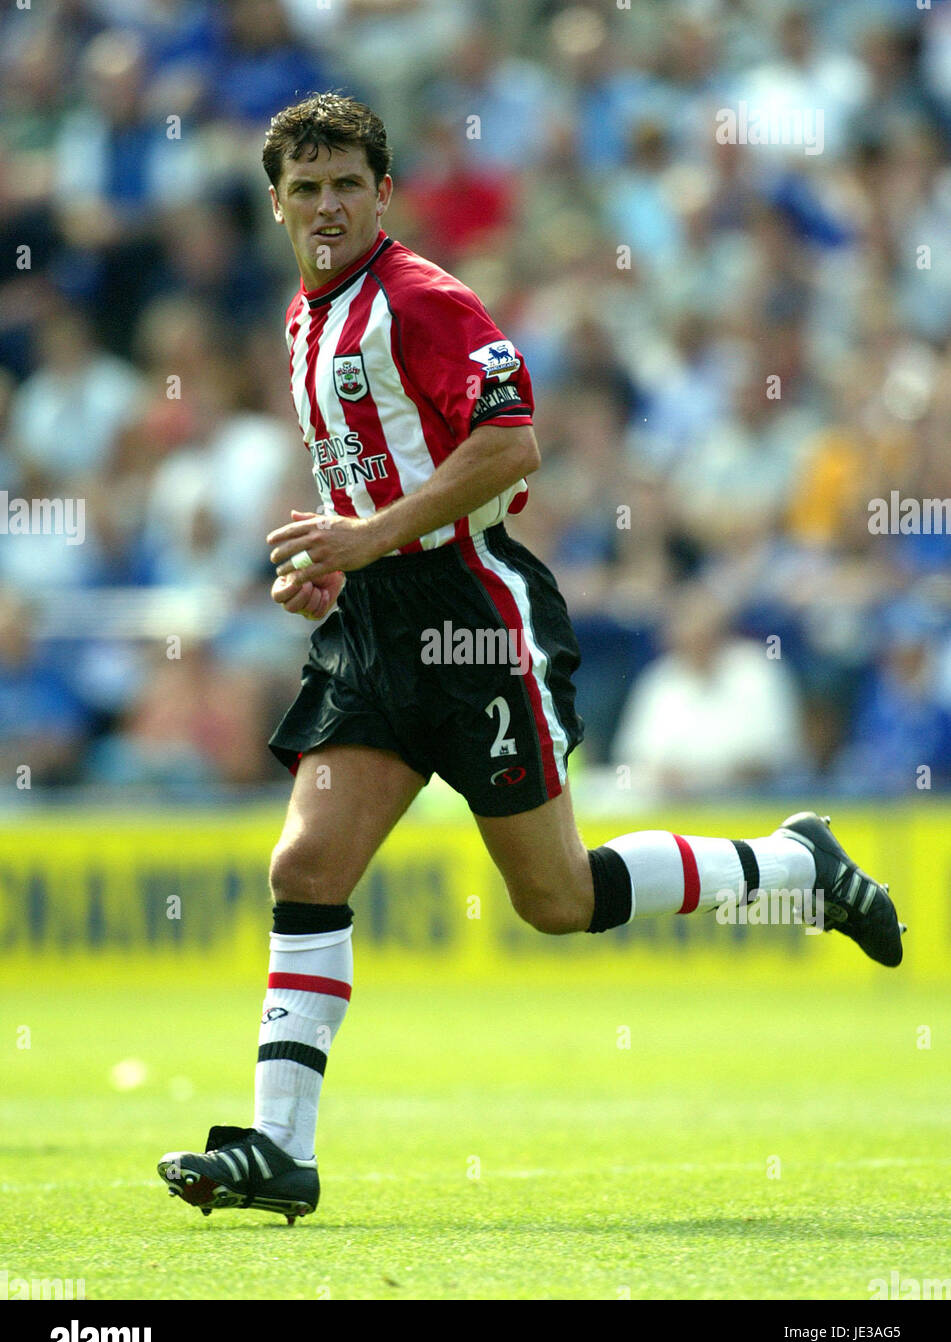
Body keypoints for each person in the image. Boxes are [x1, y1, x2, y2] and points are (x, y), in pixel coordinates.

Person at [158, 94, 905, 1225]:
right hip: (373, 627)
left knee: (556, 898)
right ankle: (278, 1147)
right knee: (305, 865)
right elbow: (377, 473)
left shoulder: (424, 300)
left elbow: (513, 447)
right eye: (305, 188)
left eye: (346, 185)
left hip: (474, 621)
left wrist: (368, 536)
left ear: (382, 193)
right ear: (276, 201)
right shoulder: (305, 317)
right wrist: (335, 561)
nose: (325, 206)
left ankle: (799, 866)